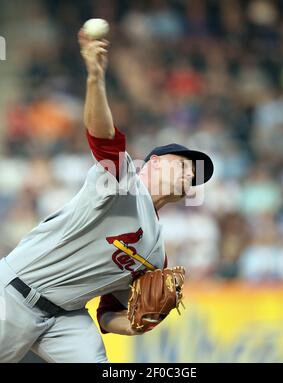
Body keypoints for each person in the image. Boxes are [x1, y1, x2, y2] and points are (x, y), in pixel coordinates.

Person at [0, 29, 213, 363]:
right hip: (13, 294)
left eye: (196, 175)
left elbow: (107, 315)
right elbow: (103, 135)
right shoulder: (123, 180)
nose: (192, 174)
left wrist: (138, 323)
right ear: (153, 162)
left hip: (66, 317)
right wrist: (95, 77)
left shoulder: (156, 253)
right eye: (186, 164)